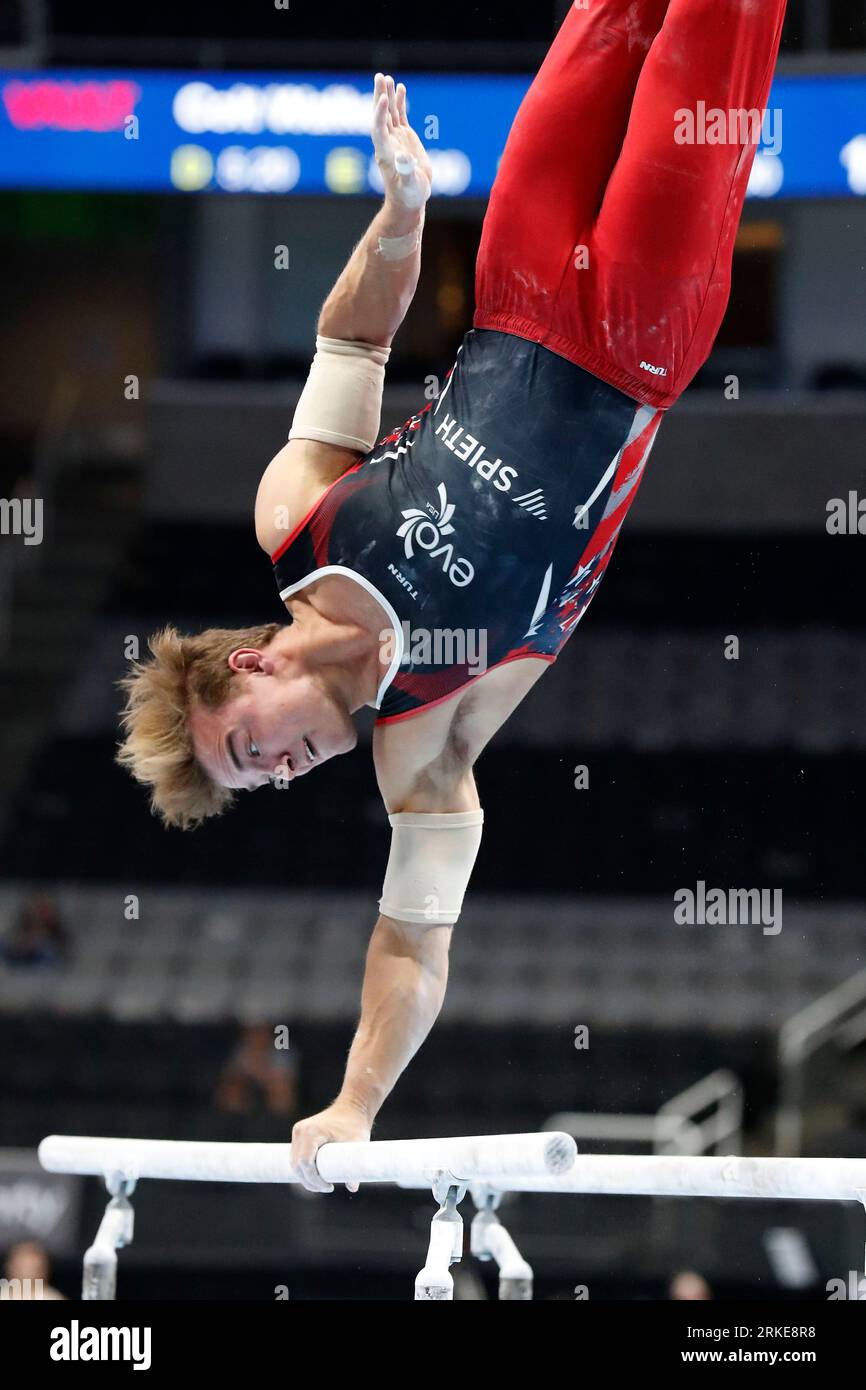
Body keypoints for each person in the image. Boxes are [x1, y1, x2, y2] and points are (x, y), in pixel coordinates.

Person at [118, 2, 788, 1191]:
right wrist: (353, 1104)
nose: (279, 776)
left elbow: (353, 345)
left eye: (245, 753)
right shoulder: (423, 748)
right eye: (257, 782)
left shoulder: (299, 523)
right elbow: (410, 948)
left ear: (251, 667)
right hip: (636, 341)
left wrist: (402, 213)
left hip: (511, 281)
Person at [1, 1240, 65, 1300]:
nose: (28, 1272)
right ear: (9, 1267)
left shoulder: (53, 1297)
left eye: (33, 1267)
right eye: (23, 1266)